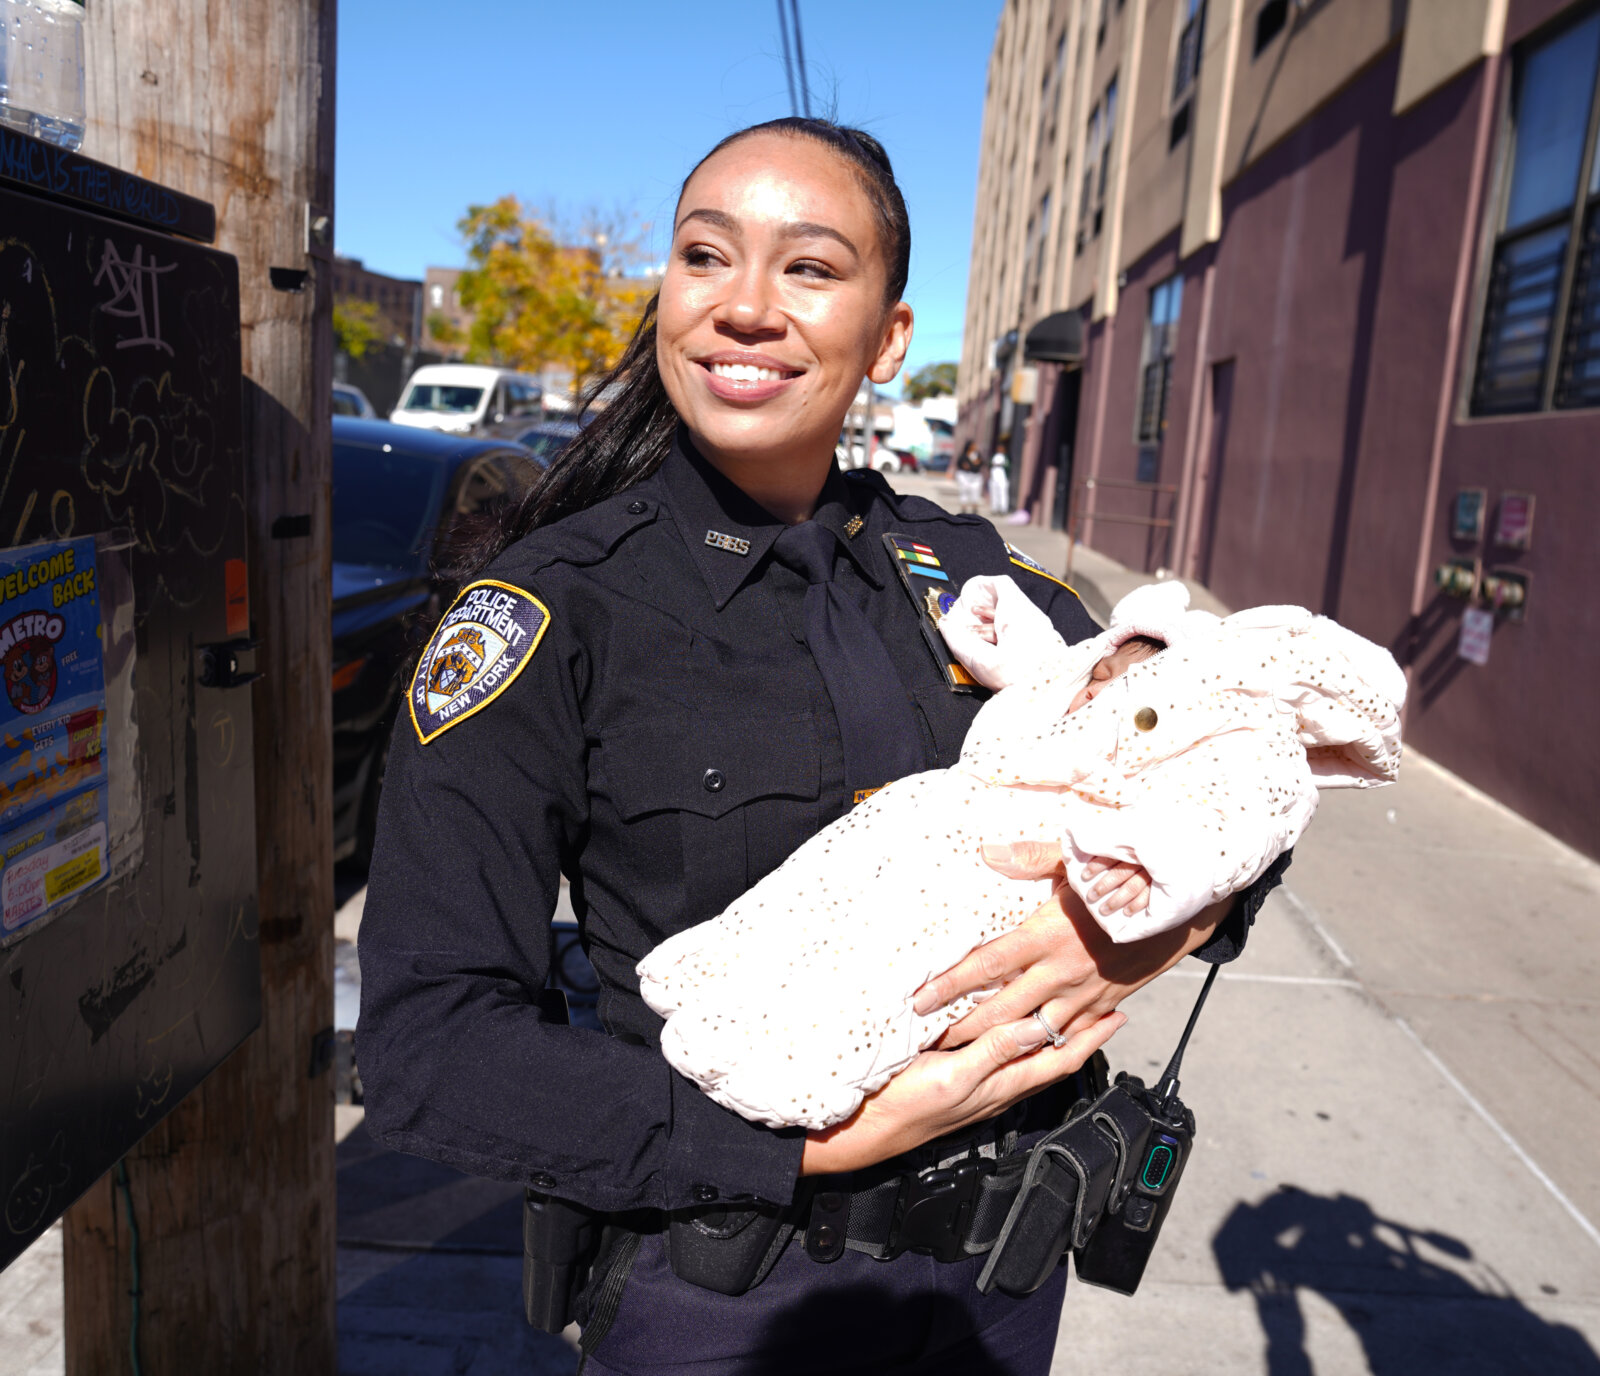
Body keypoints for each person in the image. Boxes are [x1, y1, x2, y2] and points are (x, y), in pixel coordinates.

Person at [357, 116, 1285, 1376]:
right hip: (732, 1303)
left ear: (889, 338)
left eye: (807, 266)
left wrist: (1137, 925)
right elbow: (429, 1044)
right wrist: (800, 1144)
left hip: (999, 1290)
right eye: (704, 256)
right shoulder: (550, 611)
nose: (743, 306)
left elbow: (1233, 759)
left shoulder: (975, 575)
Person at [641, 578, 1403, 1131]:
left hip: (1004, 874)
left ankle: (798, 1070)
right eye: (1099, 676)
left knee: (899, 959)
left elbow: (1247, 807)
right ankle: (712, 978)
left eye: (1120, 684)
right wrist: (997, 619)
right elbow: (1052, 669)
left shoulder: (1223, 730)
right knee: (810, 896)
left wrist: (1159, 887)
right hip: (922, 819)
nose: (1096, 692)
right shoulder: (1074, 674)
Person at [954, 439, 985, 513]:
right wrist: (965, 465)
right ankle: (964, 508)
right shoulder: (963, 455)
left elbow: (982, 463)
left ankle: (974, 508)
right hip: (965, 476)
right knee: (964, 491)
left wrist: (977, 463)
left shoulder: (977, 455)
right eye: (973, 445)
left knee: (975, 491)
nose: (975, 446)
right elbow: (959, 463)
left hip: (975, 476)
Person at [988, 448, 1010, 516]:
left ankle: (1003, 509)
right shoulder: (994, 456)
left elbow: (1008, 466)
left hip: (1002, 479)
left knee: (1002, 493)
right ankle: (995, 508)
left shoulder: (1006, 457)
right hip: (994, 478)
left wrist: (1000, 465)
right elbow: (989, 464)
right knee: (994, 493)